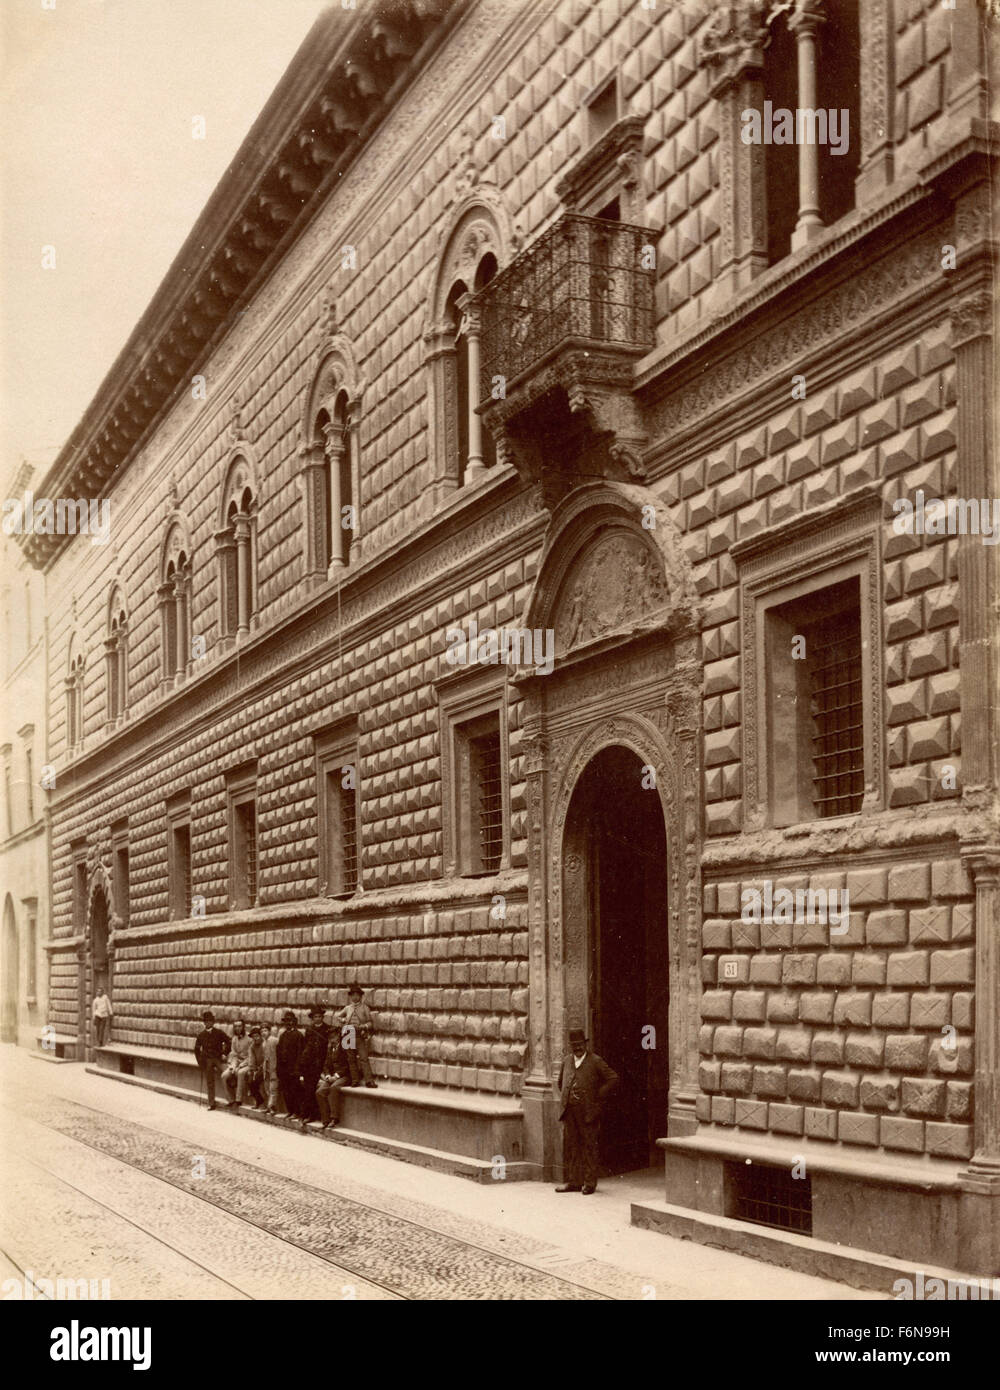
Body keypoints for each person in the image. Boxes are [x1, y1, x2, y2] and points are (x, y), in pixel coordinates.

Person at [555, 1027, 618, 1195]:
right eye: (574, 1045)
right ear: (570, 1046)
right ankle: (574, 1181)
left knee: (589, 1146)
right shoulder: (567, 1061)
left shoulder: (595, 1061)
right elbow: (560, 1082)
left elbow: (613, 1078)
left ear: (585, 1044)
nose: (577, 1048)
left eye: (580, 1044)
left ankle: (589, 1183)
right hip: (570, 1112)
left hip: (588, 1111)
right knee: (572, 1146)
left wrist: (598, 1095)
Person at [338, 985, 378, 1088]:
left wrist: (363, 1026)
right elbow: (338, 1016)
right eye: (353, 995)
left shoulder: (365, 1008)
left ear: (360, 996)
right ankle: (354, 1080)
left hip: (360, 1035)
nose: (355, 997)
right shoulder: (347, 1008)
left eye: (357, 995)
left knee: (363, 1058)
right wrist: (343, 1021)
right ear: (350, 997)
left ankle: (369, 1081)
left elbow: (370, 1023)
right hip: (348, 1034)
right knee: (351, 1059)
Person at [298, 1004, 330, 1129]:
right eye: (315, 1017)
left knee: (320, 1090)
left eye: (320, 1016)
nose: (318, 1018)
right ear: (312, 1018)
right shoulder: (309, 1030)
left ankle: (321, 1115)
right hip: (311, 1065)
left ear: (322, 1017)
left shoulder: (327, 1029)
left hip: (323, 1063)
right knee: (309, 1090)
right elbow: (307, 1047)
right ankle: (309, 1114)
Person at [194, 1010, 231, 1111]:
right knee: (210, 1081)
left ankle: (231, 1100)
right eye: (206, 1021)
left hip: (219, 1058)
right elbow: (196, 1050)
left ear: (213, 1022)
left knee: (228, 1074)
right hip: (208, 1060)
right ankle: (211, 1103)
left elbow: (229, 1041)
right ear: (204, 1023)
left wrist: (225, 1053)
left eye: (210, 1021)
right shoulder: (201, 1035)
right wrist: (200, 1062)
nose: (208, 1023)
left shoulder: (219, 1033)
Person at [315, 1030, 351, 1129]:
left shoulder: (345, 1047)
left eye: (333, 1037)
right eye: (330, 1038)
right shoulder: (330, 1048)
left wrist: (336, 1076)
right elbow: (326, 1065)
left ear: (338, 1036)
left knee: (334, 1088)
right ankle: (325, 1119)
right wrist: (327, 1076)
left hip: (344, 1076)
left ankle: (334, 1118)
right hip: (332, 1077)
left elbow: (348, 1066)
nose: (332, 1040)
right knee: (319, 1092)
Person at [276, 1010, 304, 1120]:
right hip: (284, 1069)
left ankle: (297, 1112)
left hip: (293, 1069)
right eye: (286, 1021)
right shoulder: (283, 1035)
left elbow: (300, 1053)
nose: (288, 1024)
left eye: (290, 1021)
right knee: (286, 1091)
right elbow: (278, 1052)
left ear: (294, 1022)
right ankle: (290, 1110)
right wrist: (279, 1068)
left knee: (294, 1091)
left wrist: (297, 1069)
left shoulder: (298, 1035)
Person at [222, 1019, 252, 1107]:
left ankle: (239, 1100)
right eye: (236, 1026)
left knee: (240, 1073)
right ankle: (230, 1099)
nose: (238, 1028)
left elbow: (250, 1056)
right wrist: (233, 1066)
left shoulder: (249, 1039)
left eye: (239, 1026)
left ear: (243, 1027)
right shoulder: (234, 1038)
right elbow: (233, 1053)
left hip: (247, 1063)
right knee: (224, 1076)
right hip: (236, 1062)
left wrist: (241, 1065)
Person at [245, 1025, 266, 1108]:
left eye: (257, 1036)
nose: (255, 1038)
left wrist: (259, 1068)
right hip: (256, 1068)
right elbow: (251, 1059)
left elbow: (266, 1058)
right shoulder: (252, 1046)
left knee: (256, 1079)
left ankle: (262, 1102)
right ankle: (259, 1100)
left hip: (264, 1067)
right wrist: (252, 1070)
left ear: (260, 1036)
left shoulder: (264, 1044)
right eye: (253, 1037)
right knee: (249, 1079)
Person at [263, 1020, 281, 1113]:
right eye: (262, 1031)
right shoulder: (264, 1042)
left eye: (265, 1030)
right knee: (267, 1088)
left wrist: (275, 1067)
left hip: (273, 1067)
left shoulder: (273, 1040)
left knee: (273, 1088)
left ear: (269, 1031)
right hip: (266, 1068)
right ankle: (269, 1106)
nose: (263, 1033)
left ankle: (272, 1106)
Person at [92, 983, 113, 1048]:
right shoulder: (95, 1000)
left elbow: (108, 1005)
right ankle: (99, 1041)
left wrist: (111, 1012)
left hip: (104, 1015)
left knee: (102, 1029)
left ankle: (101, 1042)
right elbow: (94, 1009)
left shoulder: (105, 998)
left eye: (100, 991)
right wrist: (94, 1018)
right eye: (98, 991)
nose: (99, 992)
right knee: (98, 1029)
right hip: (98, 1015)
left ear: (102, 992)